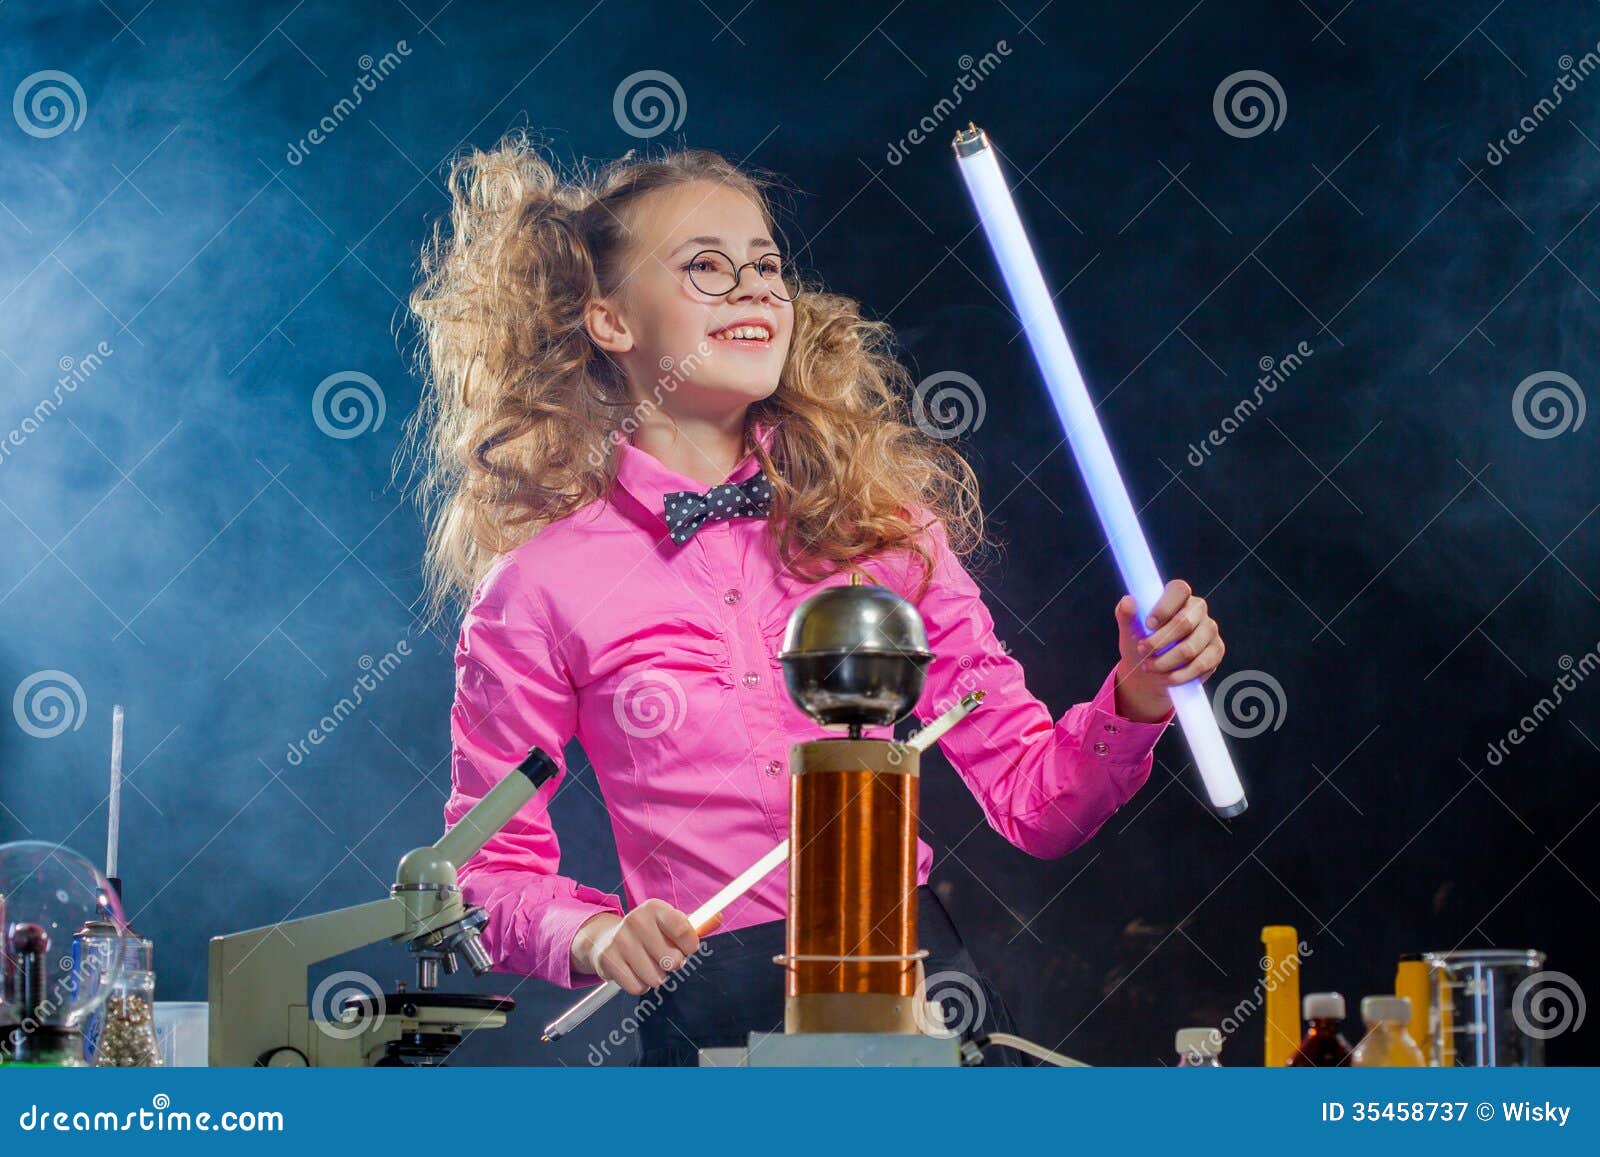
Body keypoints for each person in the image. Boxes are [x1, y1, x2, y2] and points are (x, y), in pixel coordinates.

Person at [402, 129, 1226, 1065]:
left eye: (765, 265)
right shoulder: (538, 589)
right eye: (706, 267)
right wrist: (592, 934)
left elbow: (1037, 804)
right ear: (612, 323)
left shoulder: (890, 531)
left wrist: (1137, 700)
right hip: (712, 1018)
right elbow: (488, 869)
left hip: (915, 996)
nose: (756, 286)